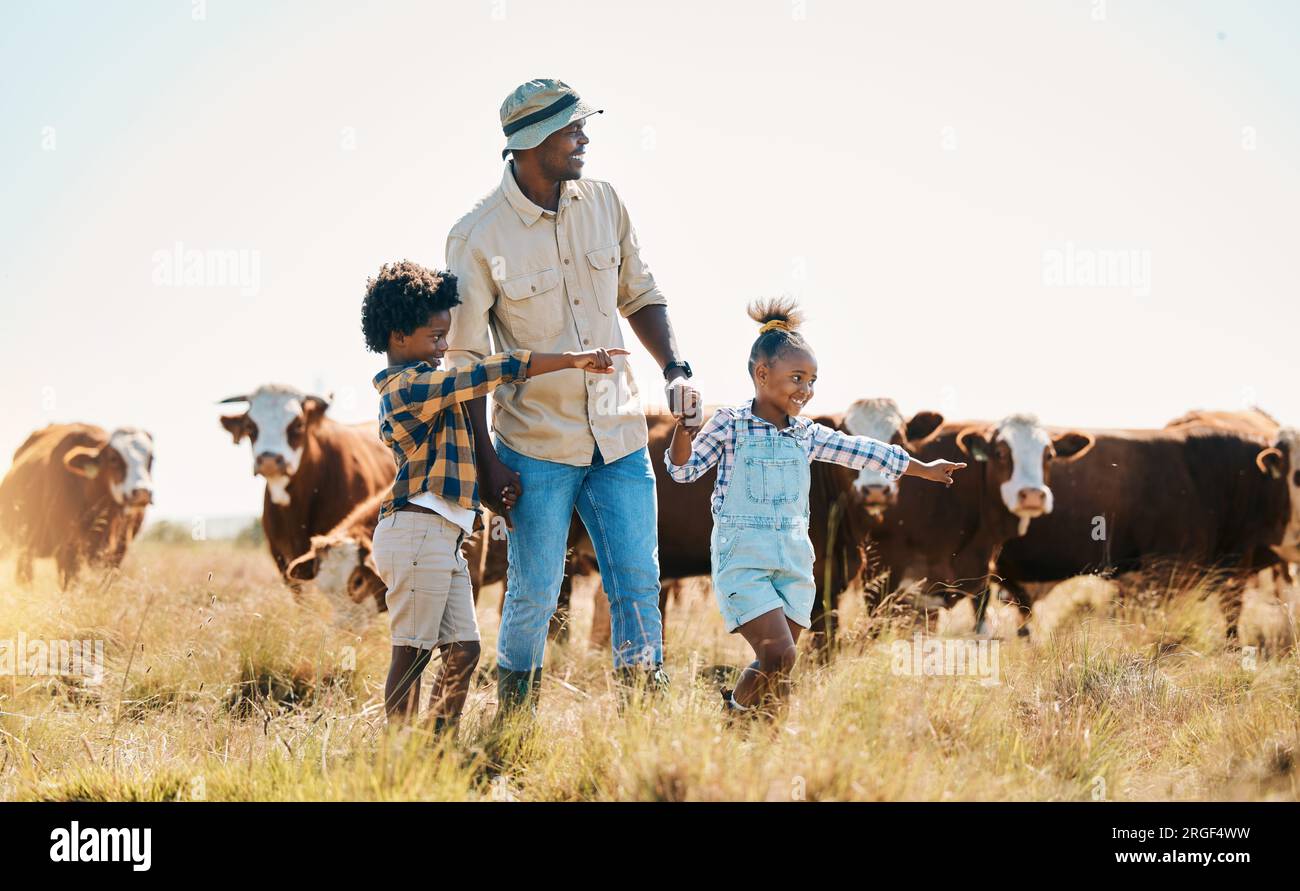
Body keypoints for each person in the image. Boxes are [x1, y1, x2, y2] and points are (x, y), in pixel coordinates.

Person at [444, 78, 701, 715]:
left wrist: (675, 366)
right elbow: (468, 363)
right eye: (571, 129)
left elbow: (639, 293)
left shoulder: (605, 202)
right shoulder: (476, 237)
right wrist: (486, 460)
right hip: (533, 447)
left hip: (619, 438)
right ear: (530, 143)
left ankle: (643, 719)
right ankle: (513, 720)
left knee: (639, 581)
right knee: (533, 590)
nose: (584, 138)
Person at [665, 299, 965, 719]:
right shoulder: (729, 424)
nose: (806, 389)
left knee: (777, 667)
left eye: (812, 380)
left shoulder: (808, 434)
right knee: (782, 656)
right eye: (797, 378)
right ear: (762, 374)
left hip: (794, 563)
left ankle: (744, 723)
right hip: (744, 560)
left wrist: (923, 469)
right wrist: (684, 429)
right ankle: (739, 720)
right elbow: (682, 472)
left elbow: (865, 451)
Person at [363, 260, 627, 734]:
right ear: (399, 335)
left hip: (443, 536)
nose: (444, 348)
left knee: (464, 650)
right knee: (412, 652)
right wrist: (569, 359)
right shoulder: (408, 388)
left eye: (446, 336)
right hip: (416, 532)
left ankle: (437, 748)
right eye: (435, 337)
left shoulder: (433, 390)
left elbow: (464, 443)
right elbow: (490, 372)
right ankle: (396, 758)